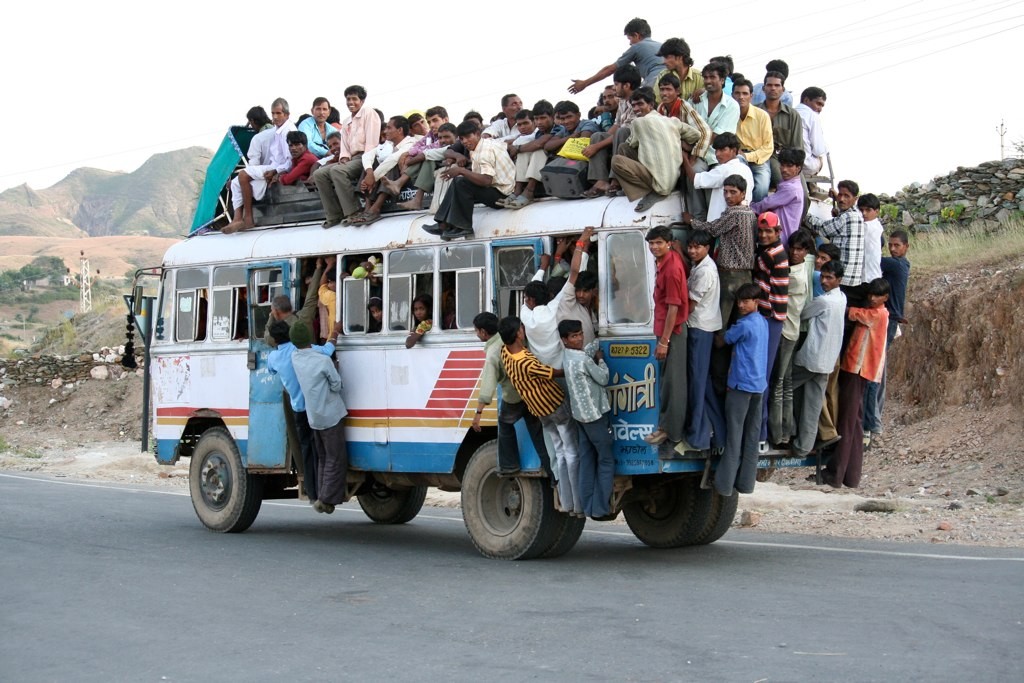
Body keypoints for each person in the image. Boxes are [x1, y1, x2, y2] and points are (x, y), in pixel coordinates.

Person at [499, 316, 580, 515]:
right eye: (521, 328)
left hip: (539, 410)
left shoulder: (505, 353)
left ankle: (566, 501)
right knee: (571, 453)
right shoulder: (525, 360)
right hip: (554, 405)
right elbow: (550, 373)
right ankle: (578, 503)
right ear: (518, 334)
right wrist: (572, 368)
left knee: (559, 452)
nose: (524, 330)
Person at [267, 319, 338, 506]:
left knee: (306, 449)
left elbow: (271, 370)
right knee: (320, 451)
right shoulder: (300, 350)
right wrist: (334, 334)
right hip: (314, 407)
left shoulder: (274, 357)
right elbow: (327, 351)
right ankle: (323, 491)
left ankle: (312, 492)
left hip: (298, 408)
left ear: (274, 340)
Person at [828, 278, 890, 488]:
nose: (872, 298)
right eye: (870, 294)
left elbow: (853, 313)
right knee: (854, 422)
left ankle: (836, 474)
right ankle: (850, 476)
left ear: (885, 298)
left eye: (877, 295)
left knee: (847, 420)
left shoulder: (877, 314)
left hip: (858, 369)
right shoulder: (880, 313)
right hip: (859, 370)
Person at [471, 312, 550, 476]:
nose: (477, 334)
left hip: (514, 398)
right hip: (532, 393)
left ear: (484, 332)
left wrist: (478, 414)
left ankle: (509, 465)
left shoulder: (493, 352)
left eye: (477, 331)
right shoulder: (510, 337)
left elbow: (487, 385)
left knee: (505, 424)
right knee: (538, 435)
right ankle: (553, 473)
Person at [611, 88, 702, 213]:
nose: (636, 108)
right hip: (674, 179)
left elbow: (631, 143)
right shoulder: (672, 121)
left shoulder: (638, 122)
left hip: (660, 183)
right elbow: (696, 135)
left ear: (651, 104)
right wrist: (680, 143)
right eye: (634, 105)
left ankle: (645, 190)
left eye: (640, 104)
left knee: (618, 158)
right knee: (624, 149)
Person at [289, 321, 348, 513]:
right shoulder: (322, 361)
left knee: (322, 457)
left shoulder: (295, 358)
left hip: (313, 416)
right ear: (310, 338)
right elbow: (337, 385)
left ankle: (322, 495)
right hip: (331, 415)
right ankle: (326, 499)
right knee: (335, 458)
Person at [421, 121, 515, 241]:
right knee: (458, 181)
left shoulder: (484, 151)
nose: (465, 141)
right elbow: (505, 145)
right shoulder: (486, 143)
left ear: (477, 134)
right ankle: (443, 224)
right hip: (498, 187)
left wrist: (462, 171)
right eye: (462, 138)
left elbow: (486, 180)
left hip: (502, 196)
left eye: (468, 137)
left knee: (462, 182)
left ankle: (463, 227)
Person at [715, 283, 768, 496]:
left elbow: (722, 342)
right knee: (752, 436)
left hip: (740, 386)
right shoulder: (762, 322)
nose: (741, 305)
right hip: (758, 386)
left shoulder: (743, 325)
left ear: (756, 302)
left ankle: (724, 485)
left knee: (734, 436)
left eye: (746, 301)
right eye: (739, 301)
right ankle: (746, 484)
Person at [790, 260, 847, 457]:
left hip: (811, 358)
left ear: (839, 279)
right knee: (813, 404)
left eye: (829, 278)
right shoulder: (842, 298)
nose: (824, 281)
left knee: (784, 387)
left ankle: (788, 432)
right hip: (827, 361)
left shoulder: (823, 301)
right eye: (822, 276)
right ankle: (803, 446)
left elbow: (802, 314)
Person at [559, 319, 614, 519]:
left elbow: (585, 352)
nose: (579, 338)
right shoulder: (584, 360)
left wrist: (596, 342)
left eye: (580, 333)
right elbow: (603, 378)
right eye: (574, 336)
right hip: (594, 415)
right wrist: (601, 359)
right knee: (606, 460)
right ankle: (599, 508)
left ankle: (586, 505)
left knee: (587, 459)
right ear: (565, 340)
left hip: (579, 416)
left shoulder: (568, 356)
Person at [685, 173, 756, 326]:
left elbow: (712, 229)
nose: (728, 196)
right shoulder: (750, 213)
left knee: (722, 323)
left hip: (730, 275)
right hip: (746, 275)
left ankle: (719, 348)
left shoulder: (734, 213)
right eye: (725, 192)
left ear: (743, 194)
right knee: (740, 322)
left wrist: (691, 221)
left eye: (733, 192)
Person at [676, 230, 721, 453]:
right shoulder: (699, 265)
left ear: (707, 248)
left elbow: (690, 304)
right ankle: (716, 433)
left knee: (697, 382)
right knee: (703, 383)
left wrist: (672, 324)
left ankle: (698, 436)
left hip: (700, 328)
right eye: (690, 246)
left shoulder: (705, 271)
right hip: (702, 327)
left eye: (697, 247)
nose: (692, 251)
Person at [642, 226, 688, 447]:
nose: (654, 247)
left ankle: (671, 431)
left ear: (668, 243)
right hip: (666, 331)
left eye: (659, 243)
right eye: (651, 243)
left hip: (673, 333)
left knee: (673, 384)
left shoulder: (671, 268)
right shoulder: (665, 262)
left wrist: (664, 341)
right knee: (667, 382)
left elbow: (673, 308)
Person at [312, 85, 382, 228]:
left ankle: (353, 212)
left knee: (337, 171)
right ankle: (334, 215)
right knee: (319, 174)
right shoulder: (346, 121)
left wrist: (367, 166)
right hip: (352, 158)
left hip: (366, 157)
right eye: (348, 99)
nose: (350, 102)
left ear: (362, 100)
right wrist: (344, 158)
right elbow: (344, 146)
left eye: (354, 99)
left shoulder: (369, 113)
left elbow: (371, 144)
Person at [864, 230, 911, 444]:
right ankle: (875, 419)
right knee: (879, 370)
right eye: (890, 245)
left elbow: (872, 259)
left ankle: (873, 422)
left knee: (876, 371)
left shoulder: (897, 265)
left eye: (897, 246)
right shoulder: (897, 265)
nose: (893, 249)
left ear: (906, 247)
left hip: (888, 322)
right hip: (889, 321)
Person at [769, 230, 815, 447]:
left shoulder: (793, 275)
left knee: (778, 384)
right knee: (786, 383)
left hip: (785, 333)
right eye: (793, 248)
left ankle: (778, 433)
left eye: (800, 249)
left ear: (806, 251)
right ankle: (787, 431)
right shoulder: (805, 267)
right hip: (793, 331)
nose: (795, 252)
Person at [520, 230, 591, 369]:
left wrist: (542, 267)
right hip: (562, 368)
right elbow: (575, 273)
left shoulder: (526, 315)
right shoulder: (555, 307)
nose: (525, 300)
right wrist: (581, 243)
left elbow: (532, 286)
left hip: (541, 371)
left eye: (526, 298)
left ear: (531, 301)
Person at [225, 100, 296, 234]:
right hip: (273, 166)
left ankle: (248, 218)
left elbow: (290, 160)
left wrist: (276, 171)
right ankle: (237, 218)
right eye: (273, 113)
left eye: (278, 113)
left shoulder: (288, 131)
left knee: (243, 175)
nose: (275, 117)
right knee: (235, 183)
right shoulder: (276, 131)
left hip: (279, 168)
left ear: (287, 115)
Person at [752, 211, 789, 441]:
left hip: (770, 319)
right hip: (768, 318)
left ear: (778, 232)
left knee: (761, 377)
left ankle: (761, 433)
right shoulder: (770, 252)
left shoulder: (771, 255)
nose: (764, 235)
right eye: (761, 231)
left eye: (768, 231)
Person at [581, 65, 641, 197]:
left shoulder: (639, 100)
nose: (615, 88)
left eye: (616, 85)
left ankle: (616, 179)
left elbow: (626, 130)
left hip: (637, 144)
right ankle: (601, 182)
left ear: (626, 85)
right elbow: (616, 125)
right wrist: (597, 142)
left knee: (622, 132)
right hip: (623, 137)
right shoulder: (623, 102)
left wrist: (597, 147)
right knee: (598, 136)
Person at [349, 115, 418, 225]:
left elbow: (392, 160)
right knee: (370, 164)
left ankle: (376, 207)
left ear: (400, 130)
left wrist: (372, 179)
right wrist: (370, 174)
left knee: (392, 164)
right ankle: (368, 207)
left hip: (399, 177)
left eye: (389, 128)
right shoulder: (388, 144)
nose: (386, 131)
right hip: (380, 176)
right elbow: (367, 155)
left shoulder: (411, 143)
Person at [568, 17, 664, 94]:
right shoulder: (661, 45)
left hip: (655, 83)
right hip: (673, 83)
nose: (630, 43)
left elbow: (609, 70)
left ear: (636, 35)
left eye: (630, 39)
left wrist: (585, 83)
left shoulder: (637, 47)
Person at [806, 179, 865, 291]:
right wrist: (835, 199)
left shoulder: (847, 217)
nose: (842, 199)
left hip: (843, 277)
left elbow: (822, 228)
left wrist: (804, 214)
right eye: (840, 195)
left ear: (855, 199)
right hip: (851, 277)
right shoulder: (857, 214)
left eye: (847, 196)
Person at [683, 132, 752, 222]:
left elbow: (695, 179)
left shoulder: (724, 169)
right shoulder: (747, 169)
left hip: (720, 226)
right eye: (716, 150)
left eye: (723, 150)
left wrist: (684, 159)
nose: (717, 154)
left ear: (734, 151)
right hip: (741, 220)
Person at [756, 72, 803, 188]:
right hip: (762, 156)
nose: (773, 88)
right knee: (785, 186)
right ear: (764, 88)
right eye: (769, 85)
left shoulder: (792, 115)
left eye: (777, 85)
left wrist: (793, 166)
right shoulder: (754, 112)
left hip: (787, 159)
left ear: (783, 89)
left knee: (803, 194)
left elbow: (798, 147)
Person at [750, 148, 806, 242]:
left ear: (798, 168)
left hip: (781, 239)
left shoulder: (792, 188)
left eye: (789, 166)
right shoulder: (788, 183)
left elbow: (767, 203)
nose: (784, 169)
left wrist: (749, 207)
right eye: (782, 165)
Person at [732, 78, 773, 202]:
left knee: (762, 186)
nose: (741, 97)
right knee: (735, 185)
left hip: (759, 159)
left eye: (745, 93)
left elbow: (768, 147)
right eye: (737, 93)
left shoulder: (762, 116)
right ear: (732, 95)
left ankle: (755, 217)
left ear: (751, 96)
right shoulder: (729, 114)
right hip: (736, 157)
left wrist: (747, 156)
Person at [694, 62, 740, 168]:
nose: (708, 81)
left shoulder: (732, 105)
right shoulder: (696, 100)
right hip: (696, 153)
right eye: (705, 77)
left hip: (719, 155)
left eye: (712, 77)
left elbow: (718, 137)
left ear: (722, 80)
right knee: (695, 171)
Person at [654, 37, 703, 102]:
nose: (664, 61)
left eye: (667, 57)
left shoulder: (700, 77)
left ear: (679, 57)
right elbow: (657, 100)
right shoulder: (662, 75)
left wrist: (704, 91)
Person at [796, 87, 829, 176]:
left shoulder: (790, 112)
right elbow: (818, 150)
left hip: (785, 164)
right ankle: (811, 186)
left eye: (822, 106)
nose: (820, 109)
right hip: (804, 165)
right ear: (806, 100)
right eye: (818, 104)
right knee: (820, 157)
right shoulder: (812, 116)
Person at [858, 193, 884, 283]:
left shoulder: (870, 226)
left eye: (868, 210)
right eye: (861, 210)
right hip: (867, 277)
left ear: (877, 212)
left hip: (871, 278)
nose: (864, 213)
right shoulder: (875, 224)